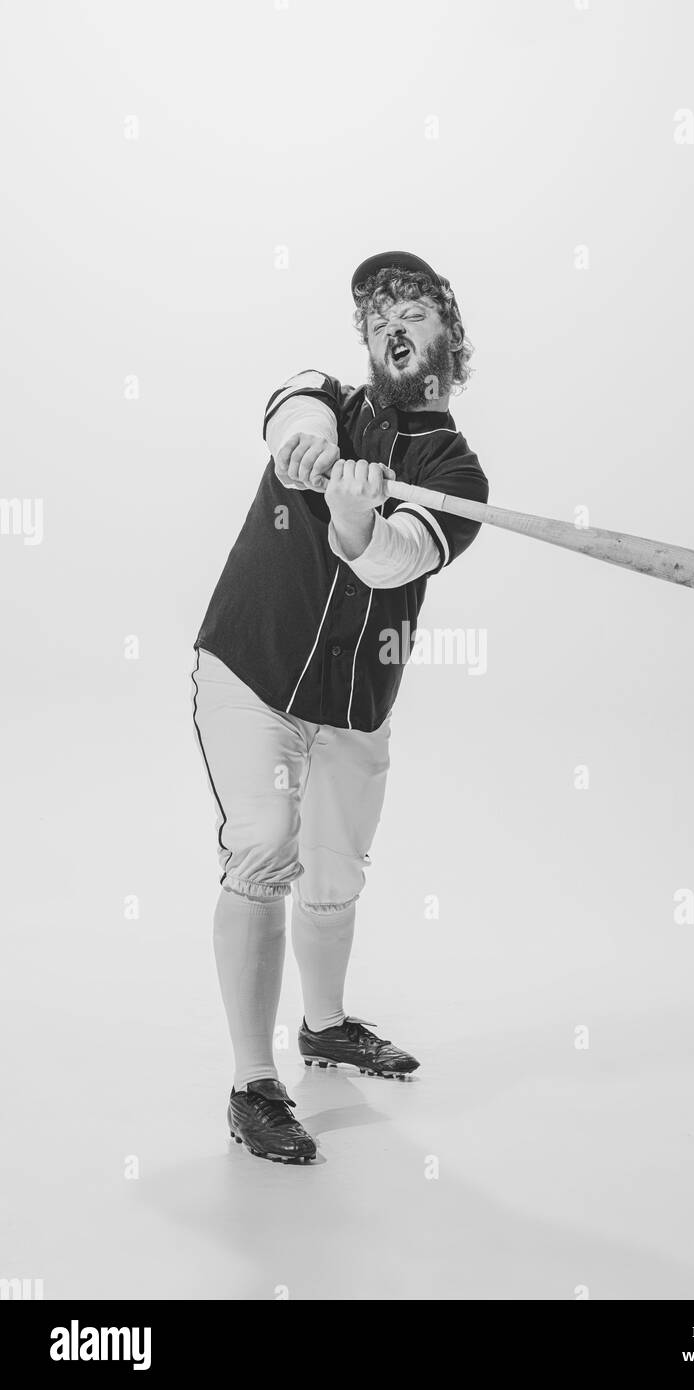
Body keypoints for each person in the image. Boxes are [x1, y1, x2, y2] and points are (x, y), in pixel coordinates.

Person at [190, 251, 489, 1163]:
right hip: (253, 676)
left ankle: (323, 1027)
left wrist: (357, 521)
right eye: (375, 316)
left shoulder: (460, 478)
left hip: (355, 704)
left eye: (413, 310)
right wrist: (307, 451)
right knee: (266, 846)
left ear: (450, 337)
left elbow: (391, 561)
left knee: (336, 873)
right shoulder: (322, 396)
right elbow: (293, 416)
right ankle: (253, 1081)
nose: (391, 325)